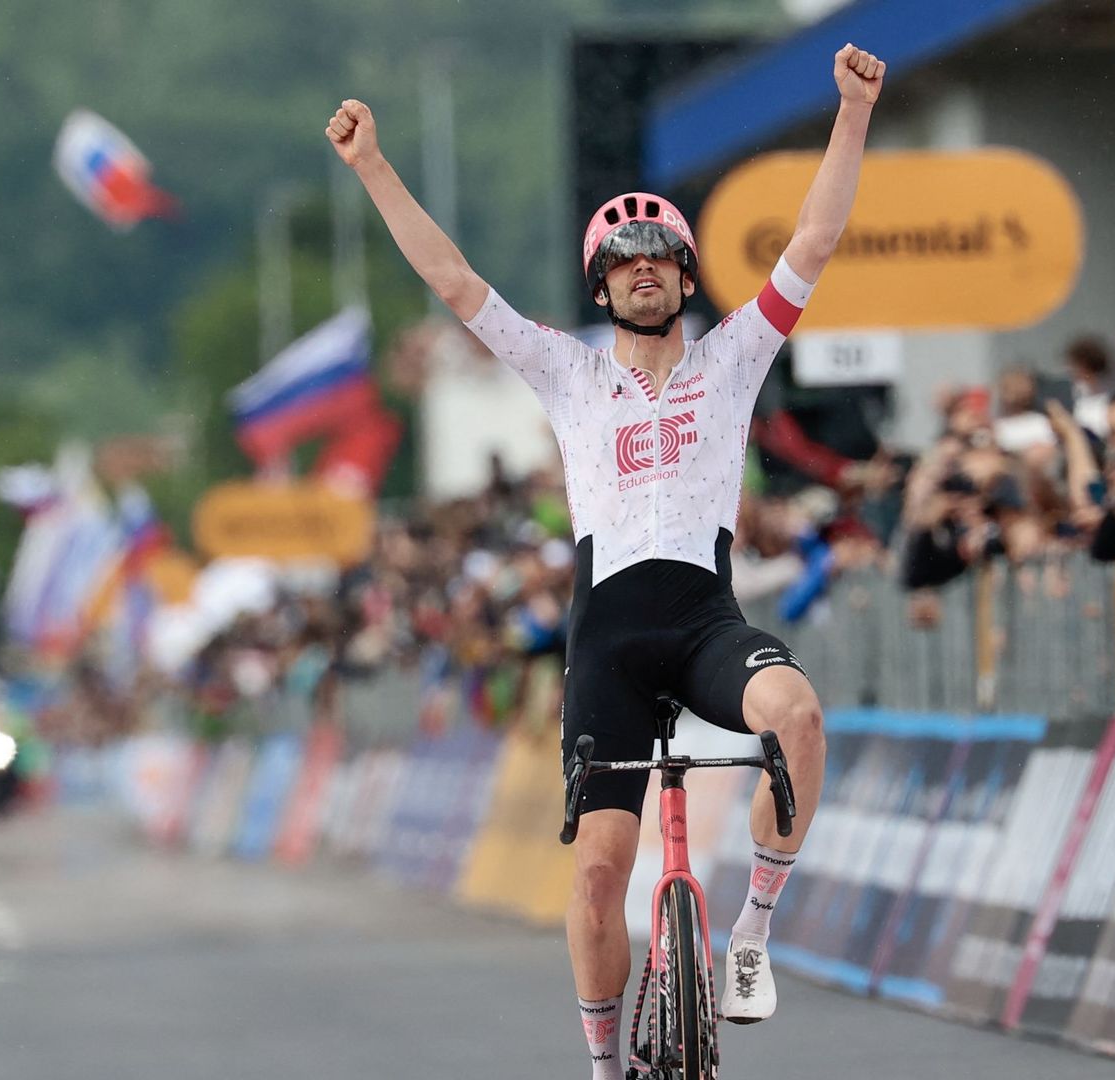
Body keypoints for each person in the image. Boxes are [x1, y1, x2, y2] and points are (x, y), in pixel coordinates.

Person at [325, 41, 885, 1078]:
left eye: (659, 260)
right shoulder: (567, 376)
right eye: (623, 264)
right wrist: (372, 167)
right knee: (596, 882)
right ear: (603, 284)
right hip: (611, 642)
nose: (642, 273)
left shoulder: (736, 357)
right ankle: (603, 1067)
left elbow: (815, 233)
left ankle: (752, 928)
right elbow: (452, 281)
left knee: (799, 716)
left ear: (681, 276)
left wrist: (851, 112)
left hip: (708, 623)